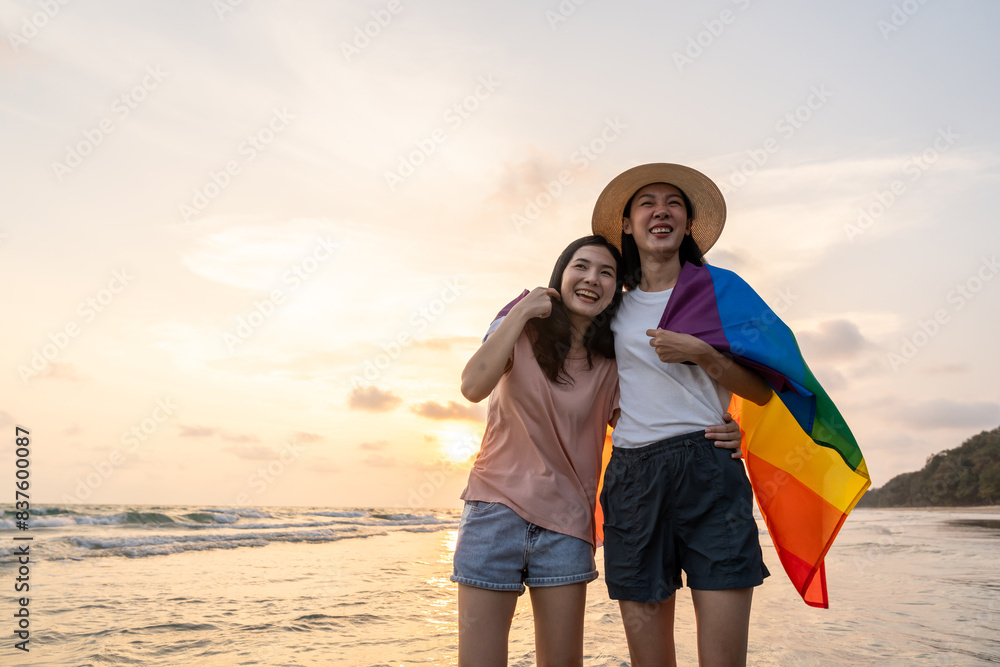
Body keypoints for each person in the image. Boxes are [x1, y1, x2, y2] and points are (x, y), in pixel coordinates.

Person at [452, 235, 743, 667]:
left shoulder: (612, 363)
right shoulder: (521, 329)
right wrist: (522, 311)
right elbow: (473, 386)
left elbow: (653, 418)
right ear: (561, 275)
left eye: (606, 272)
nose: (592, 279)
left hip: (567, 527)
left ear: (616, 289)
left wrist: (722, 428)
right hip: (493, 515)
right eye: (581, 267)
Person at [591, 163, 772, 667]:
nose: (660, 210)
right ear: (628, 223)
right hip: (632, 479)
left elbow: (762, 390)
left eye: (673, 202)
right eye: (646, 202)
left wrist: (705, 355)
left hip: (708, 467)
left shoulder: (720, 292)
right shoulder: (610, 308)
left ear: (687, 222)